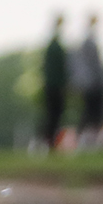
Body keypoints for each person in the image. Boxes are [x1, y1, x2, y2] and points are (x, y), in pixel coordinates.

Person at [71, 13, 103, 148]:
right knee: (91, 112)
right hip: (92, 83)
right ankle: (84, 139)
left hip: (91, 82)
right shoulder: (88, 41)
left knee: (92, 113)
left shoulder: (88, 40)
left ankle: (91, 139)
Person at [40, 14, 68, 151]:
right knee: (53, 115)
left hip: (53, 85)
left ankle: (51, 141)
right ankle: (49, 141)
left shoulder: (52, 46)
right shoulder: (54, 47)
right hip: (55, 86)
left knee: (53, 115)